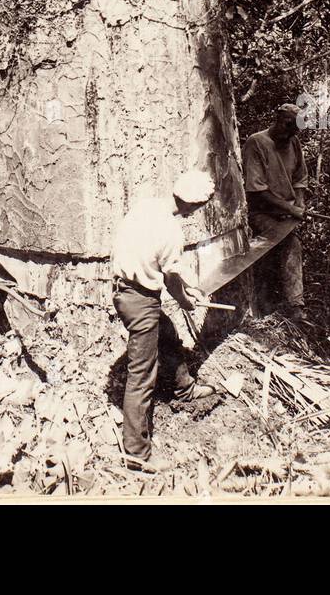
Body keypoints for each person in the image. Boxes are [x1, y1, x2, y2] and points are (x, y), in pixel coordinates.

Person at [111, 168, 216, 472]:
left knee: (167, 333)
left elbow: (162, 268)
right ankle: (136, 454)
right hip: (138, 298)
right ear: (194, 206)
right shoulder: (172, 232)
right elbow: (171, 281)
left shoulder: (146, 207)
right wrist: (187, 301)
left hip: (125, 289)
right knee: (142, 377)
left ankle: (184, 388)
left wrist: (186, 289)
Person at [242, 101, 310, 322]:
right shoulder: (257, 142)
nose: (290, 133)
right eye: (287, 126)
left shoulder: (294, 143)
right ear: (278, 119)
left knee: (288, 246)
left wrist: (298, 204)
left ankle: (289, 304)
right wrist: (289, 207)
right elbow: (256, 190)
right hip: (262, 213)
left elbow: (300, 178)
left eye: (295, 130)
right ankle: (292, 306)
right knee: (289, 246)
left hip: (286, 215)